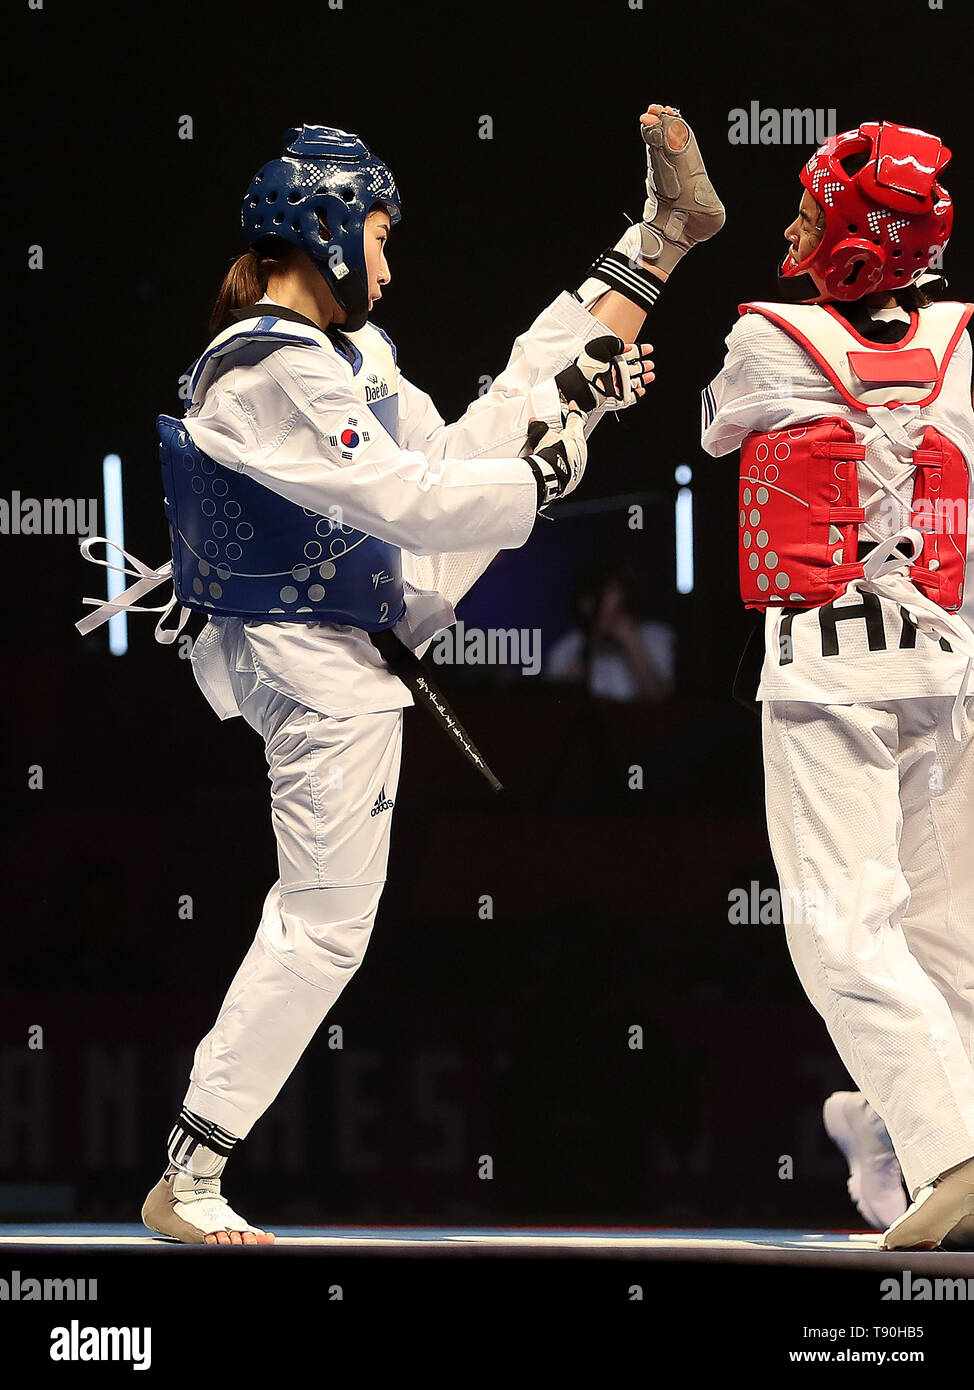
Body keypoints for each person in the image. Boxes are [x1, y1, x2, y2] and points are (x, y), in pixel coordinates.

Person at [76, 106, 724, 1243]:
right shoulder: (267, 369)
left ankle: (660, 237)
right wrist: (549, 469)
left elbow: (445, 456)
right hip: (312, 656)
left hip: (366, 609)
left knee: (521, 396)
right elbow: (408, 499)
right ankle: (188, 1175)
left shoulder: (350, 355)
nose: (387, 259)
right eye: (377, 234)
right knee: (324, 926)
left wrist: (557, 416)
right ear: (325, 230)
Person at [701, 120, 974, 1251]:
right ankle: (899, 1134)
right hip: (941, 677)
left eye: (810, 216)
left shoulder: (765, 342)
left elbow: (717, 430)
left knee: (839, 932)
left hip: (831, 679)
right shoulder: (965, 340)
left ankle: (949, 1154)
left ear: (858, 244)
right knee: (945, 935)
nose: (790, 232)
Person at [544, 561, 676, 700]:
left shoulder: (659, 638)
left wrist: (631, 641)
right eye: (592, 593)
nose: (599, 601)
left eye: (608, 591)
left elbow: (664, 702)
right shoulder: (565, 651)